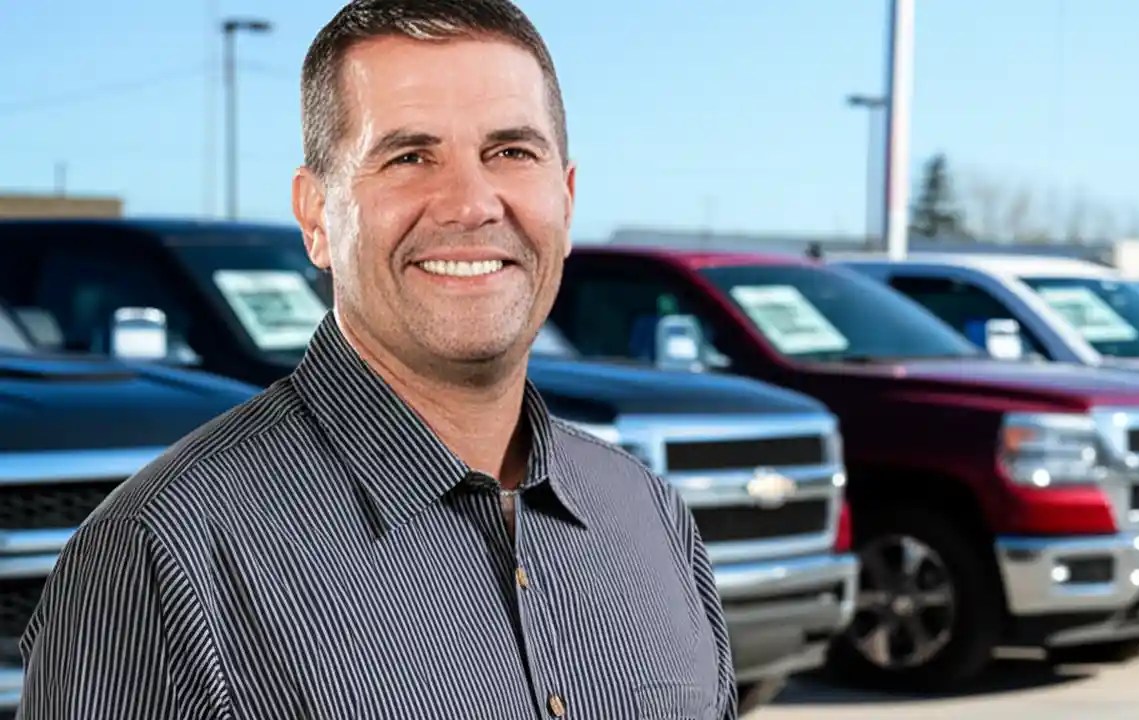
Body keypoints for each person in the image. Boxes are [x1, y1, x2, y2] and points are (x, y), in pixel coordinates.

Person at [16, 1, 736, 717]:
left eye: (511, 153)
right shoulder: (160, 557)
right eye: (409, 157)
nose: (471, 204)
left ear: (567, 201)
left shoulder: (651, 519)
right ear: (316, 217)